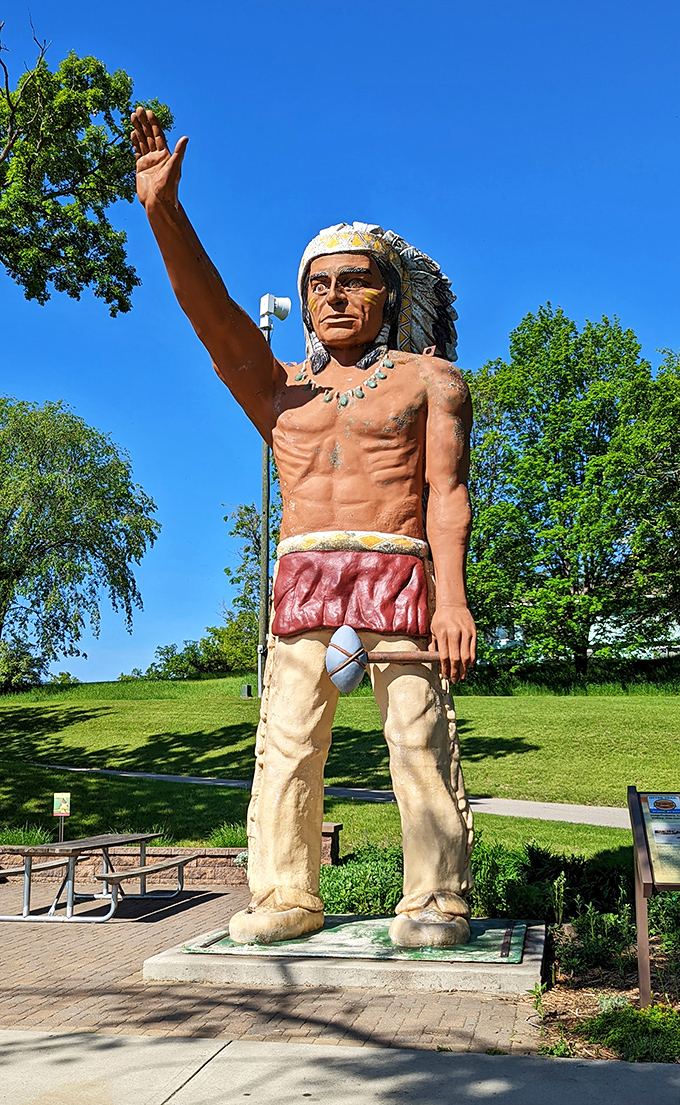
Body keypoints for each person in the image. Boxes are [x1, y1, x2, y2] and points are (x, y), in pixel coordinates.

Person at [131, 107, 477, 947]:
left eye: (353, 280)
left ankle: (436, 896)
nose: (333, 295)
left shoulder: (431, 381)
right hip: (305, 573)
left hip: (398, 569)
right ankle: (285, 890)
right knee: (285, 742)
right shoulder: (278, 387)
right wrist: (163, 214)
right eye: (319, 283)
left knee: (417, 739)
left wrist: (454, 600)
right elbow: (213, 321)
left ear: (388, 291)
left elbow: (446, 493)